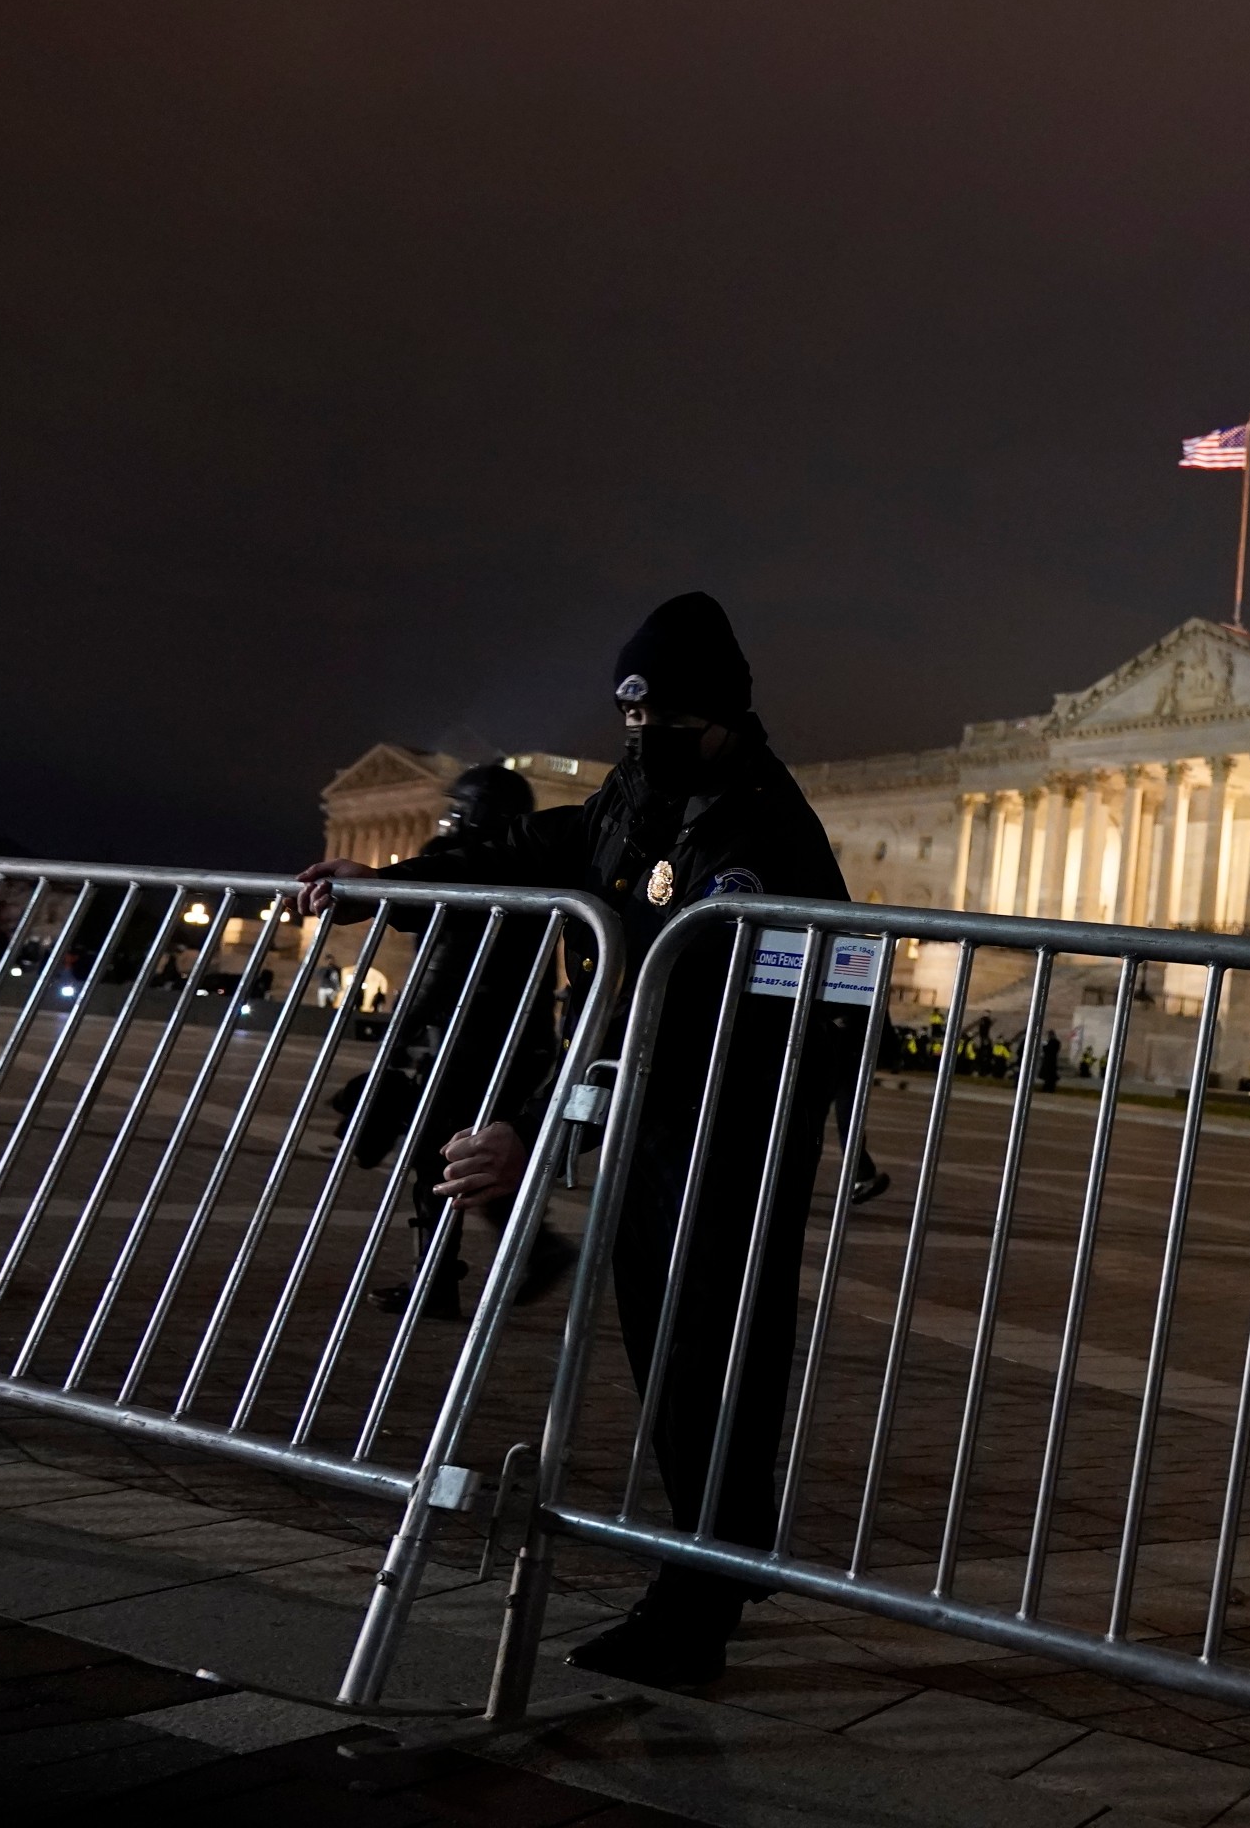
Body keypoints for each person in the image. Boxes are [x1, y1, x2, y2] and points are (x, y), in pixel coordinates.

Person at [295, 591, 858, 1689]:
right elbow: (535, 851)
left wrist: (530, 1122)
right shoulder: (648, 792)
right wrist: (389, 887)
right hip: (662, 1114)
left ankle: (697, 1598)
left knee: (709, 1351)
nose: (643, 745)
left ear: (723, 715)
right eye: (631, 723)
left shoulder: (753, 836)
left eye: (666, 724)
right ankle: (725, 1557)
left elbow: (666, 1002)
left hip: (728, 1119)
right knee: (676, 1349)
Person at [329, 762, 579, 1321]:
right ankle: (520, 1254)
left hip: (476, 1040)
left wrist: (398, 1036)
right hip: (514, 1037)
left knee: (436, 1155)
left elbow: (445, 970)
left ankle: (445, 1280)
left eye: (461, 807)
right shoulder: (529, 870)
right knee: (471, 1155)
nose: (452, 816)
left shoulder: (477, 870)